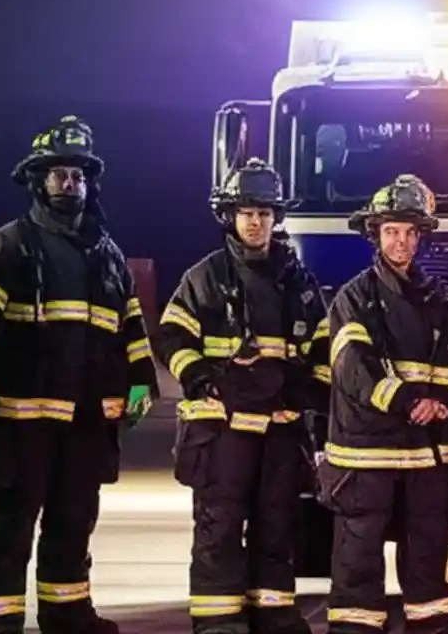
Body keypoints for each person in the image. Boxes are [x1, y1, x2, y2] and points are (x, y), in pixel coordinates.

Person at [0, 116, 156, 634]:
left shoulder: (108, 255)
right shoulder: (7, 247)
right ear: (37, 181)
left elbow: (131, 329)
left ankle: (68, 616)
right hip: (21, 421)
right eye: (58, 176)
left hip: (87, 422)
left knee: (73, 525)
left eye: (77, 176)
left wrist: (141, 381)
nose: (69, 186)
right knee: (10, 528)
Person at [157, 159, 326, 634]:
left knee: (278, 528)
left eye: (265, 213)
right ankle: (218, 623)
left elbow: (326, 348)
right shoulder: (204, 278)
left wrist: (302, 386)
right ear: (229, 216)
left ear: (277, 218)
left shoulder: (299, 284)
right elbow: (172, 336)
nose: (256, 221)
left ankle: (274, 615)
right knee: (219, 530)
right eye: (247, 212)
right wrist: (199, 379)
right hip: (222, 432)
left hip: (279, 433)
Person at [321, 174, 448, 634]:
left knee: (427, 554)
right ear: (376, 236)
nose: (400, 241)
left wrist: (443, 401)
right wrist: (407, 401)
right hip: (367, 453)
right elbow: (352, 368)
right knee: (358, 558)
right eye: (390, 232)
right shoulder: (353, 298)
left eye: (407, 232)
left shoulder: (437, 302)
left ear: (419, 237)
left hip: (424, 454)